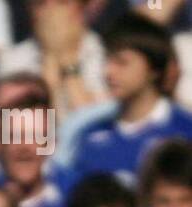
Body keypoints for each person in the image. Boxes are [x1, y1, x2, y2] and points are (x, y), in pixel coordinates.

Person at [65, 15, 192, 191]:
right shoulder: (89, 135)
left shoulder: (185, 131)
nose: (108, 72)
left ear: (154, 68)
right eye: (107, 60)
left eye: (122, 62)